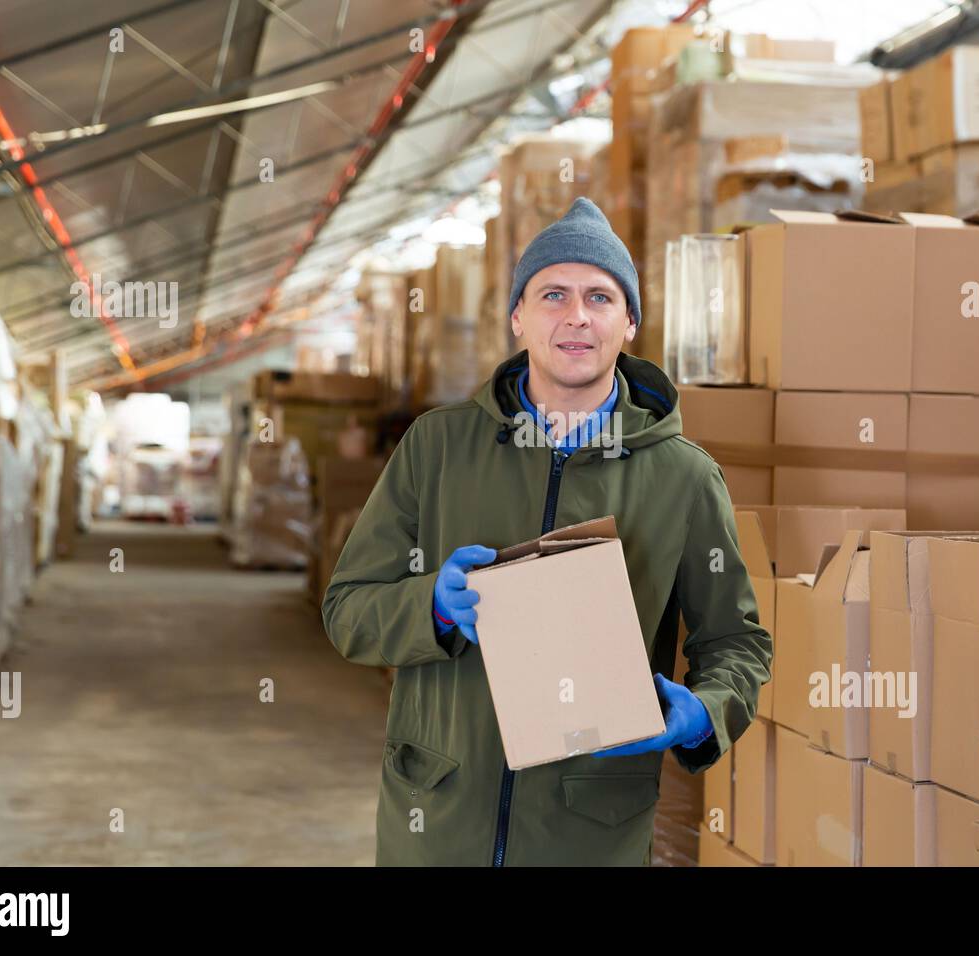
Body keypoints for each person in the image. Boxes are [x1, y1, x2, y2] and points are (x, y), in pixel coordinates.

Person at [323, 197, 772, 866]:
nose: (576, 315)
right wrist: (431, 609)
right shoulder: (438, 448)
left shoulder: (684, 478)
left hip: (586, 831)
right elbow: (347, 609)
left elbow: (737, 643)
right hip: (438, 820)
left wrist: (704, 711)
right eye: (552, 293)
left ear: (629, 323)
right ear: (518, 317)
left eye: (599, 296)